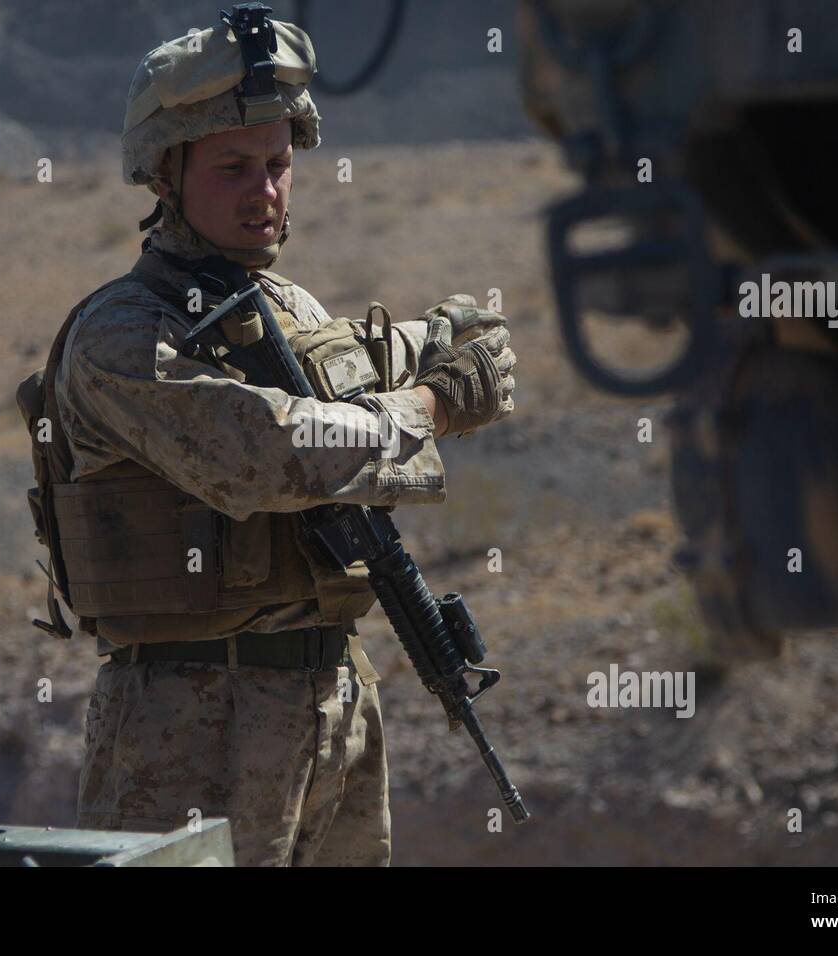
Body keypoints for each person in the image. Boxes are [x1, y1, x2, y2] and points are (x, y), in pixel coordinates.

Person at [40, 8, 516, 866]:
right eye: (232, 168)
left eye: (278, 165)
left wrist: (443, 337)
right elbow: (274, 454)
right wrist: (437, 407)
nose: (264, 191)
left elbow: (353, 367)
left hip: (332, 695)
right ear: (162, 174)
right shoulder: (121, 335)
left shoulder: (286, 310)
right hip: (189, 719)